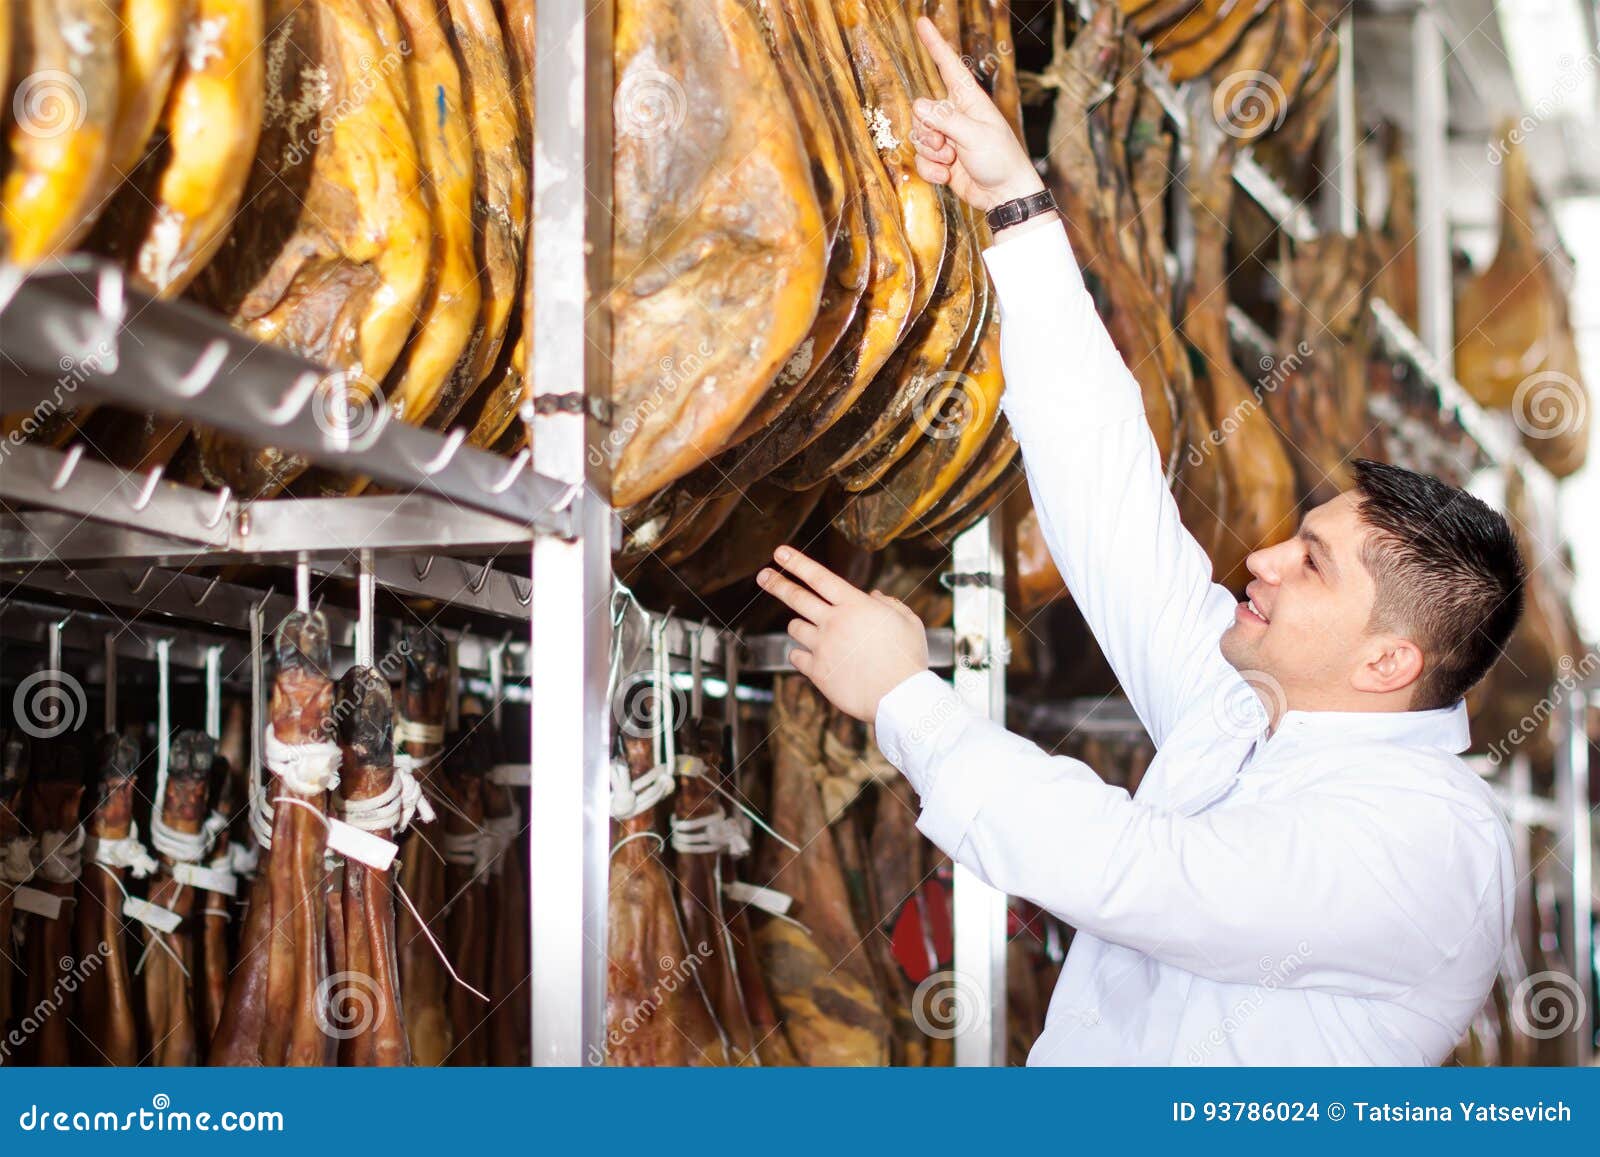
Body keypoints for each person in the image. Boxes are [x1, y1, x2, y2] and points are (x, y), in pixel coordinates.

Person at [756, 16, 1525, 1066]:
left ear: (1388, 659)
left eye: (1310, 564)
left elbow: (1133, 871)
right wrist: (1017, 209)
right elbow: (1108, 499)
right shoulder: (1247, 710)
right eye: (1292, 539)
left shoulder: (1427, 843)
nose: (1259, 559)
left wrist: (906, 699)